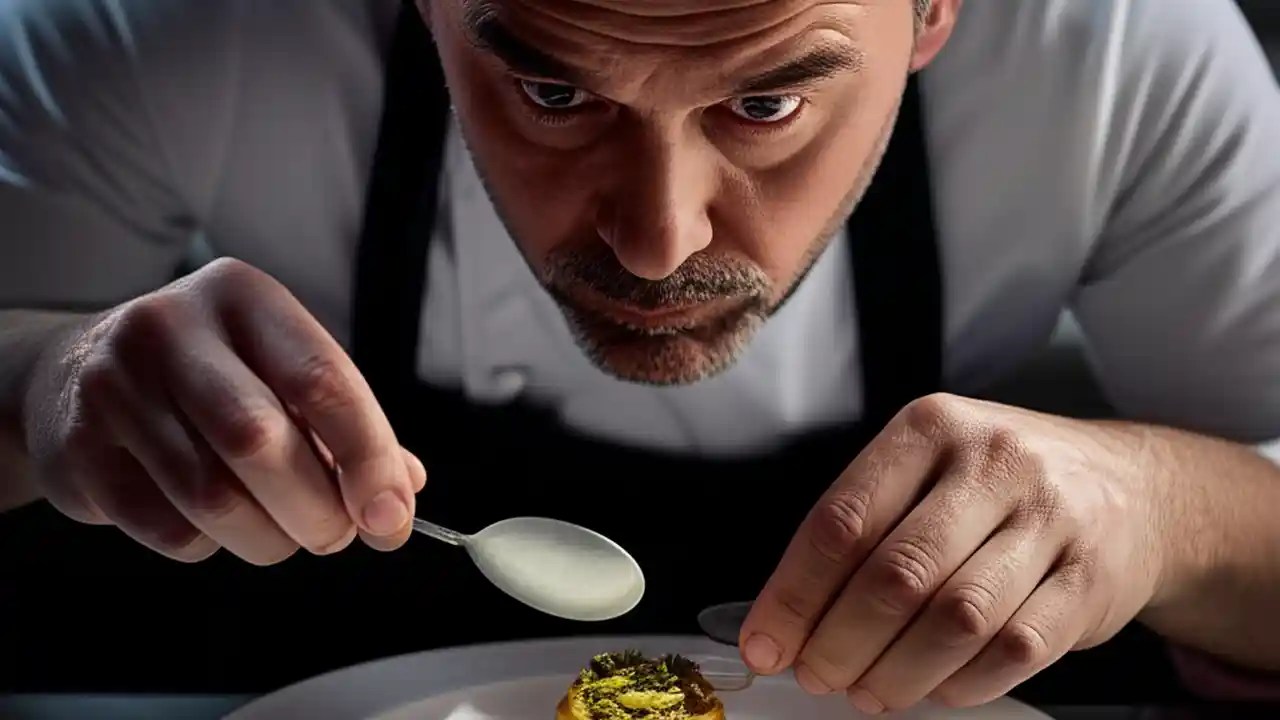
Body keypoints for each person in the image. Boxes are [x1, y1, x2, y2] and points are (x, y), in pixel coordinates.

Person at [1, 0, 1278, 710]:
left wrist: (1164, 511)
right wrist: (43, 381)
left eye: (765, 102)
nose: (658, 244)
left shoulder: (1115, 48)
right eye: (553, 94)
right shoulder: (163, 28)